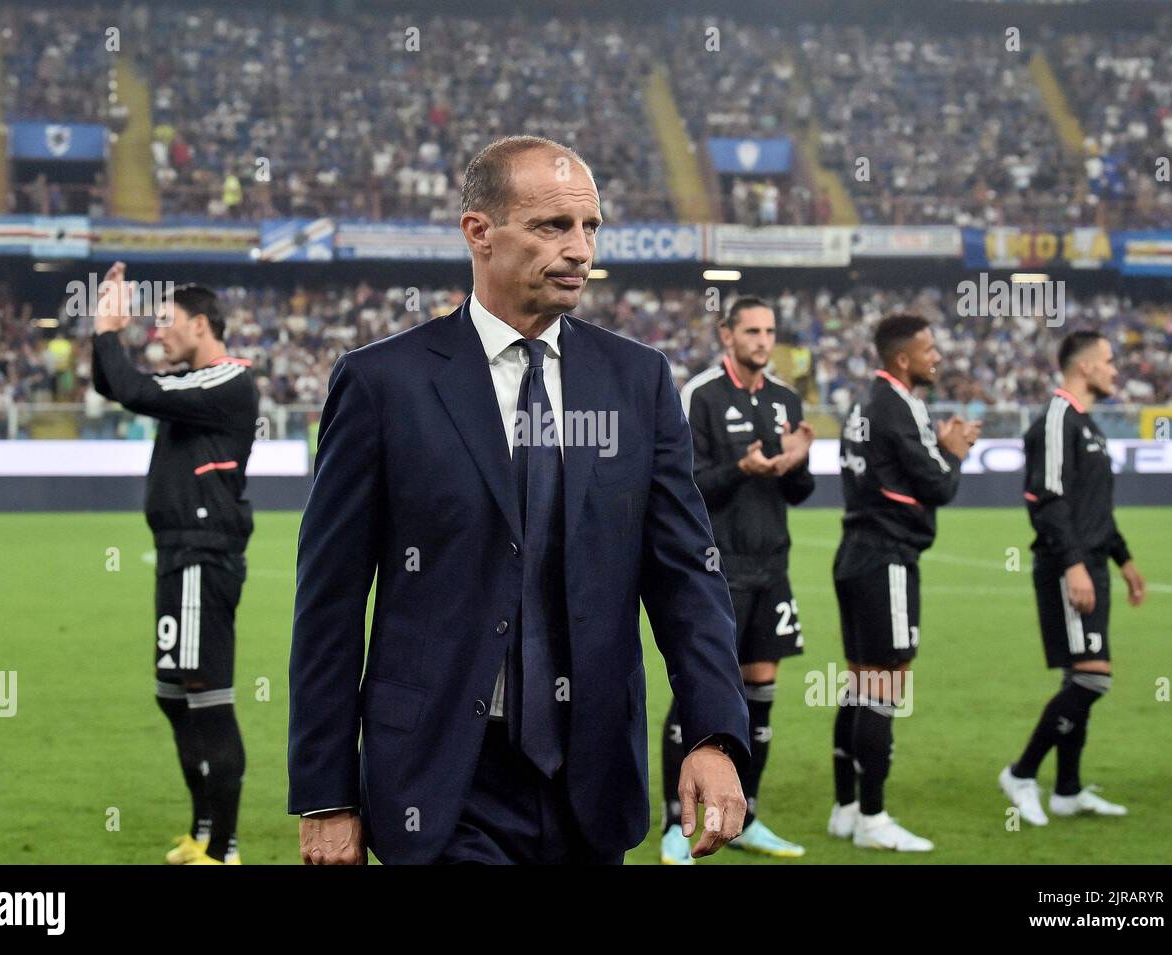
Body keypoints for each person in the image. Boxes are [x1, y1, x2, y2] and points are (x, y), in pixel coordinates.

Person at [289, 135, 751, 865]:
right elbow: (329, 602)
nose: (579, 249)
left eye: (590, 226)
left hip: (591, 778)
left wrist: (713, 734)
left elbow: (687, 576)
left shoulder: (637, 380)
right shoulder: (384, 384)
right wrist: (327, 792)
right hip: (442, 779)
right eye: (551, 226)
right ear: (480, 232)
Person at [91, 264, 258, 864]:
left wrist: (110, 328)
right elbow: (117, 387)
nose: (158, 331)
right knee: (174, 696)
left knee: (206, 695)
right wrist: (103, 332)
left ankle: (225, 848)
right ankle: (203, 831)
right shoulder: (195, 383)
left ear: (201, 324)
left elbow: (132, 390)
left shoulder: (227, 382)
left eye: (166, 321)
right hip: (177, 557)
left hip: (202, 559)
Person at [660, 296, 815, 864]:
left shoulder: (784, 399)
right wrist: (740, 469)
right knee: (699, 690)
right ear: (727, 335)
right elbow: (685, 483)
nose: (762, 340)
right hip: (715, 568)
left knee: (761, 696)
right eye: (751, 330)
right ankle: (677, 822)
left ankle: (746, 812)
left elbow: (798, 494)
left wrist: (797, 460)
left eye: (769, 330)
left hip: (771, 565)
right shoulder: (701, 394)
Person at [828, 313, 979, 852]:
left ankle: (845, 808)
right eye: (929, 348)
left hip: (855, 553)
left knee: (859, 683)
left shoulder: (865, 403)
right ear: (902, 358)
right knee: (886, 684)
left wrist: (938, 450)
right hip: (887, 557)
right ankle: (873, 818)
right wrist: (955, 451)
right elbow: (937, 485)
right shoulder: (899, 404)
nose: (936, 357)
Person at [1000, 330, 1146, 825]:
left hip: (1094, 563)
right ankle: (1021, 773)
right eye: (1109, 360)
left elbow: (1093, 510)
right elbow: (1048, 499)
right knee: (1092, 677)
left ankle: (1067, 789)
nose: (1114, 369)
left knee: (1079, 674)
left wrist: (1123, 561)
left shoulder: (1088, 425)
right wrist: (1074, 564)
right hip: (1070, 567)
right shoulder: (1057, 419)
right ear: (1084, 367)